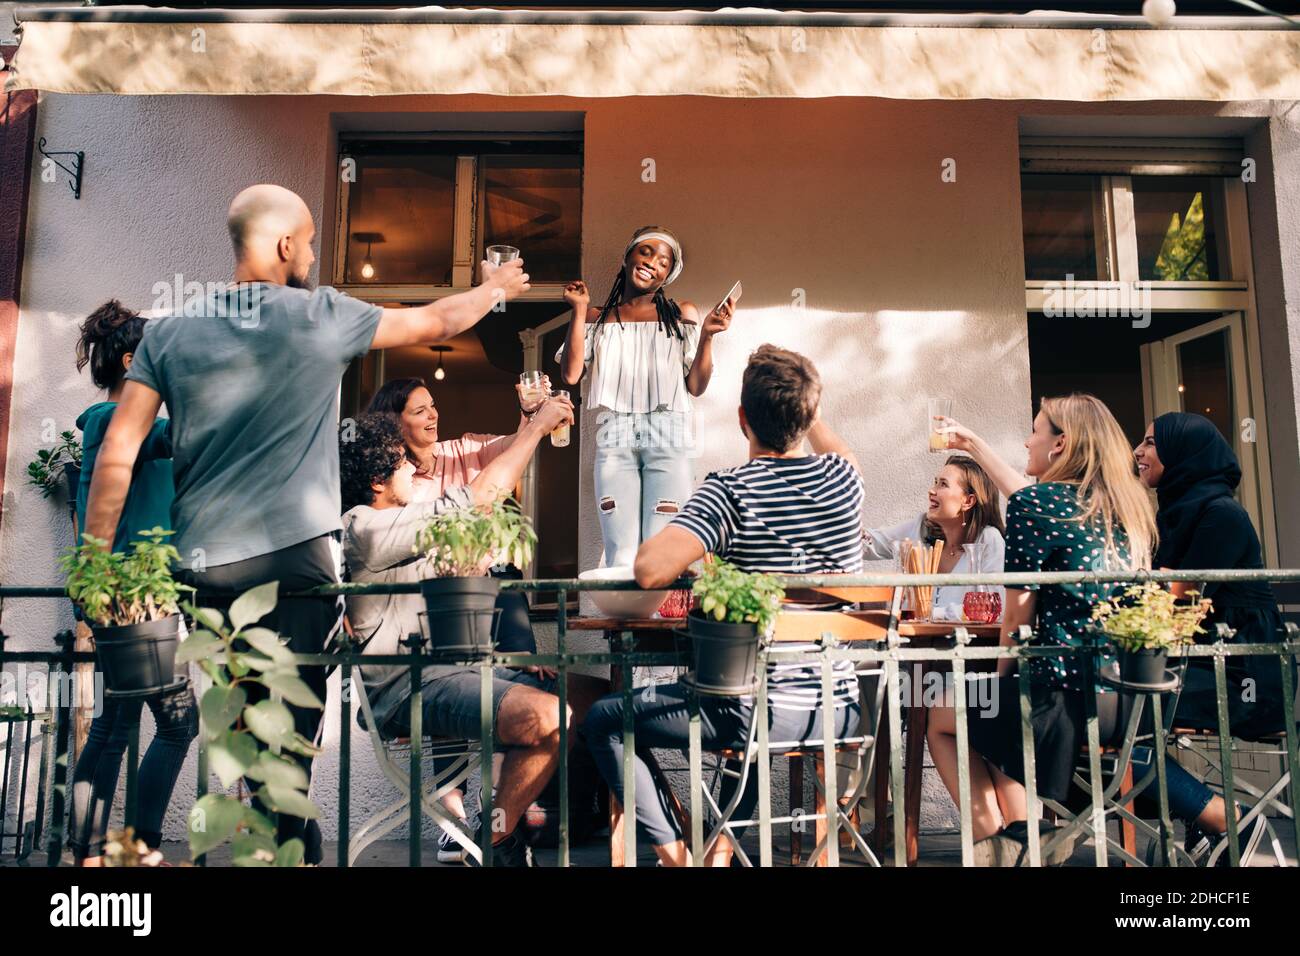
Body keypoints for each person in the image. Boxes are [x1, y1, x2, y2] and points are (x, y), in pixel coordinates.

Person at [81, 184, 530, 863]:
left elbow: (118, 450)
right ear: (286, 244)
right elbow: (434, 321)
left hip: (203, 567)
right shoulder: (320, 314)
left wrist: (96, 566)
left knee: (233, 729)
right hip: (294, 564)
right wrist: (494, 285)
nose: (315, 252)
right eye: (312, 240)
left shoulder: (169, 333)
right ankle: (286, 843)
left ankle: (262, 840)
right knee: (288, 739)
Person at [930, 395, 1250, 866]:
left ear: (1060, 443)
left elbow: (1017, 622)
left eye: (1035, 430)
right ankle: (1022, 837)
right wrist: (977, 445)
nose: (1026, 439)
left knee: (940, 713)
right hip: (1131, 700)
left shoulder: (1036, 505)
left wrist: (999, 685)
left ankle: (1005, 847)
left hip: (1061, 698)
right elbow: (1041, 505)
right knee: (986, 715)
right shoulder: (1130, 508)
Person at [583, 345, 864, 866]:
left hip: (754, 709)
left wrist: (698, 544)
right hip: (837, 708)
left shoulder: (729, 490)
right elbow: (840, 452)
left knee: (604, 718)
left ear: (742, 419)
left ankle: (677, 857)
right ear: (808, 417)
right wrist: (807, 406)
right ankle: (718, 850)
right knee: (735, 697)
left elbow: (649, 569)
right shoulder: (844, 481)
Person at [339, 411, 607, 867]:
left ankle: (651, 830)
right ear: (377, 483)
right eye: (402, 463)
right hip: (409, 689)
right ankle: (500, 836)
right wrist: (535, 428)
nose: (412, 468)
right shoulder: (364, 526)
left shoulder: (398, 532)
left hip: (458, 671)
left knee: (604, 701)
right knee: (550, 716)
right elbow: (477, 498)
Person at [366, 375, 552, 859]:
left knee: (527, 680)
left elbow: (512, 449)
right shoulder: (392, 486)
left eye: (433, 407)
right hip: (435, 599)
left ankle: (502, 813)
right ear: (394, 422)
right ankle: (455, 818)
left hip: (492, 584)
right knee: (451, 679)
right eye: (420, 410)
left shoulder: (463, 448)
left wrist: (531, 417)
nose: (433, 416)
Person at [68, 301, 197, 867]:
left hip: (124, 589)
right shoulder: (118, 422)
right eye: (159, 359)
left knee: (115, 722)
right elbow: (188, 435)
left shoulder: (127, 426)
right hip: (135, 592)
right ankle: (134, 845)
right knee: (176, 723)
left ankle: (91, 850)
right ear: (132, 360)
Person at [1135, 412, 1290, 857]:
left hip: (1246, 677)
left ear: (1182, 454)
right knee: (1105, 709)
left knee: (1123, 713)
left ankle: (1225, 817)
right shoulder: (1177, 512)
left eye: (1150, 443)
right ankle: (1209, 816)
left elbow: (1176, 596)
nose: (1138, 453)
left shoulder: (1221, 513)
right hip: (1201, 666)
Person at [558, 226, 735, 568]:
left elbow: (696, 386)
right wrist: (578, 311)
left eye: (663, 261)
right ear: (627, 257)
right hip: (614, 434)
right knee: (621, 551)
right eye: (646, 252)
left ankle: (658, 621)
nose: (652, 262)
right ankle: (625, 620)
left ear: (669, 274)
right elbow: (570, 374)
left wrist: (708, 337)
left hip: (668, 435)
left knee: (660, 547)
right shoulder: (597, 317)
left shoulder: (680, 313)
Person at [862, 454, 1005, 613]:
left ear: (968, 501)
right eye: (935, 482)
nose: (932, 490)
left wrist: (929, 614)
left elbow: (994, 607)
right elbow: (870, 543)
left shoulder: (988, 539)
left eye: (943, 484)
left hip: (964, 637)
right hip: (913, 636)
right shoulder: (921, 529)